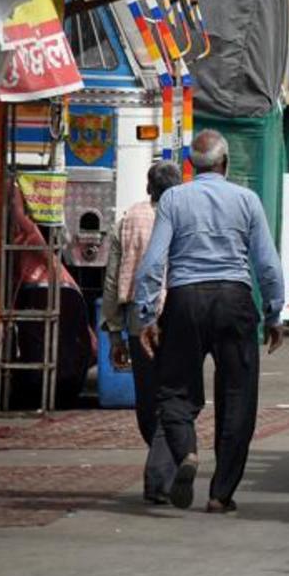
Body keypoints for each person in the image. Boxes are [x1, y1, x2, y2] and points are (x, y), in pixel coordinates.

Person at [133, 130, 285, 514]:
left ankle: (186, 452)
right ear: (225, 163)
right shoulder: (247, 200)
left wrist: (147, 314)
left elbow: (153, 263)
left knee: (173, 391)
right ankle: (221, 494)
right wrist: (274, 312)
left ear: (192, 165)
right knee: (238, 398)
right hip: (235, 299)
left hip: (185, 300)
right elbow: (266, 262)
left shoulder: (173, 199)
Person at [100, 161, 182, 504]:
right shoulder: (183, 217)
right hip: (175, 314)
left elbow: (111, 278)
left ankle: (162, 462)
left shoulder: (129, 218)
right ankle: (163, 469)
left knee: (148, 396)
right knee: (176, 394)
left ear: (149, 188)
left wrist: (114, 333)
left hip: (136, 316)